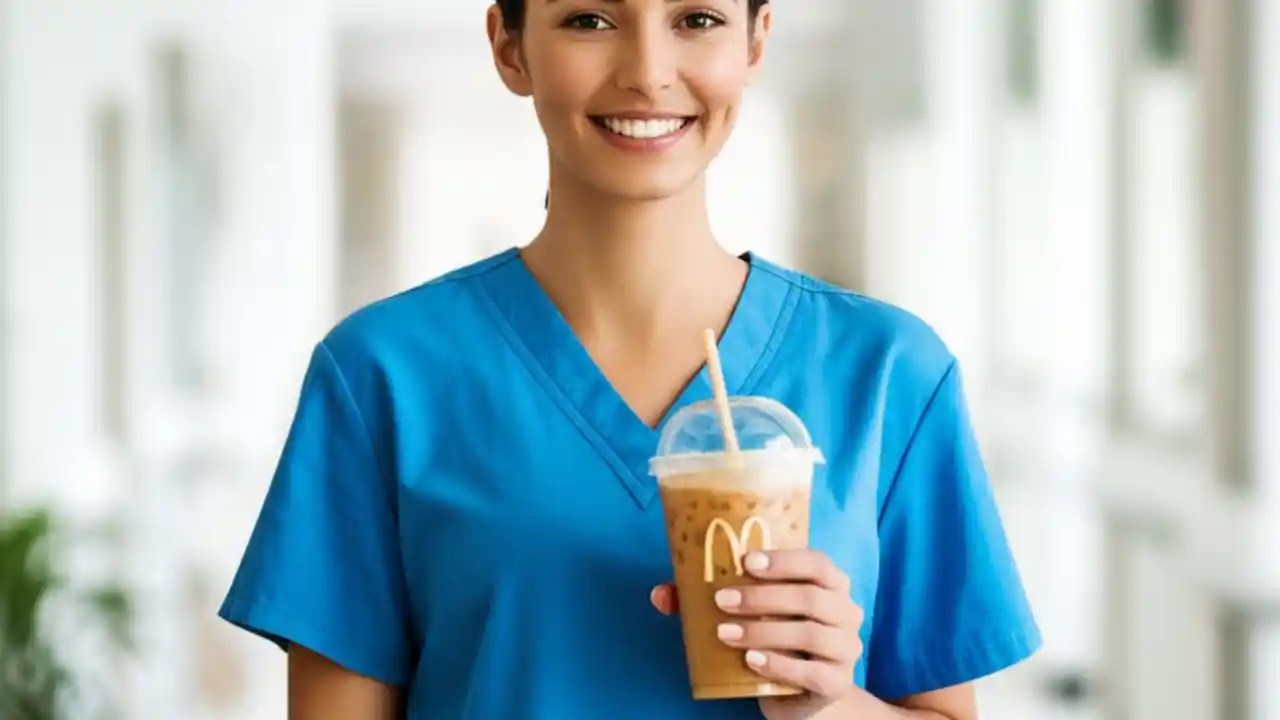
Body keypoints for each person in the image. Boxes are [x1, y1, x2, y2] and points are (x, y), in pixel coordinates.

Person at [218, 1, 1042, 718]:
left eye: (698, 19)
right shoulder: (381, 377)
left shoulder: (890, 375)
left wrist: (829, 704)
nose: (648, 72)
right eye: (589, 19)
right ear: (509, 46)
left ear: (756, 40)